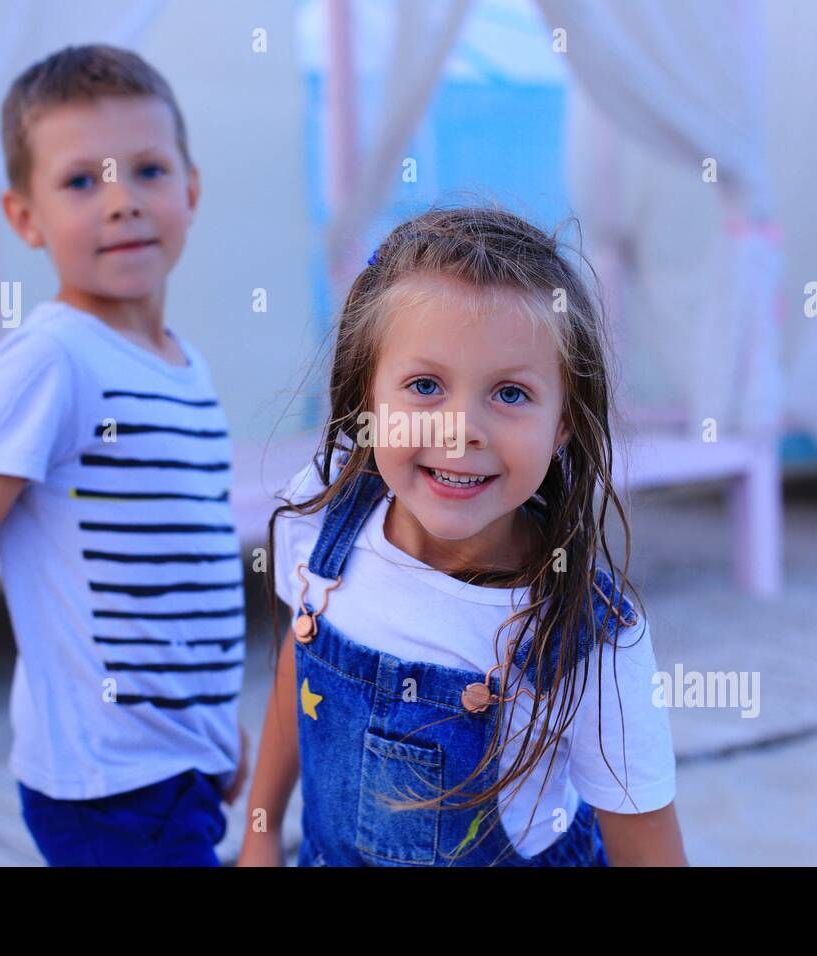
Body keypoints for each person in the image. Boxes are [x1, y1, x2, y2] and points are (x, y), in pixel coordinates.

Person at [0, 44, 247, 867]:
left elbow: (184, 567)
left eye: (147, 170)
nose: (122, 203)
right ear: (24, 217)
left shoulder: (186, 365)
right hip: (109, 791)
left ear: (192, 188)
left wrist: (214, 722)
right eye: (81, 182)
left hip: (181, 769)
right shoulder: (52, 362)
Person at [239, 206, 687, 866]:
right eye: (425, 385)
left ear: (562, 425)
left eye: (509, 394)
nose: (459, 431)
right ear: (371, 397)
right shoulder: (322, 508)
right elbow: (297, 668)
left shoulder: (592, 643)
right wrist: (259, 833)